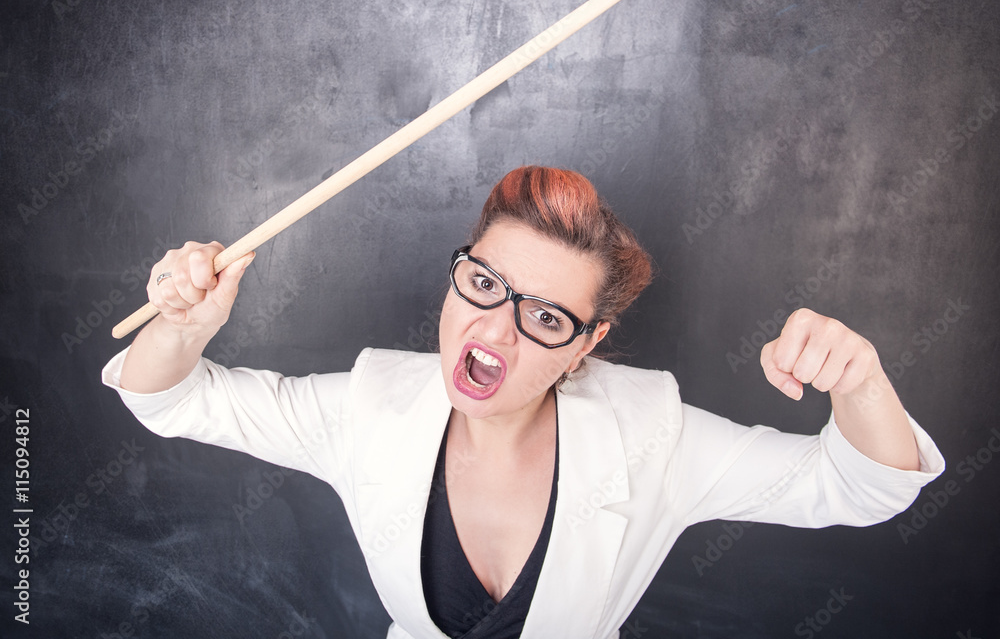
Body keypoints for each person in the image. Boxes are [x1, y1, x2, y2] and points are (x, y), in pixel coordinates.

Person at [102, 165, 944, 639]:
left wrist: (861, 382)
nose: (495, 332)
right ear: (459, 272)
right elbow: (167, 398)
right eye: (485, 284)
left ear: (586, 344)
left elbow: (866, 487)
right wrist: (187, 322)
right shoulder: (368, 407)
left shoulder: (654, 436)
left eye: (545, 317)